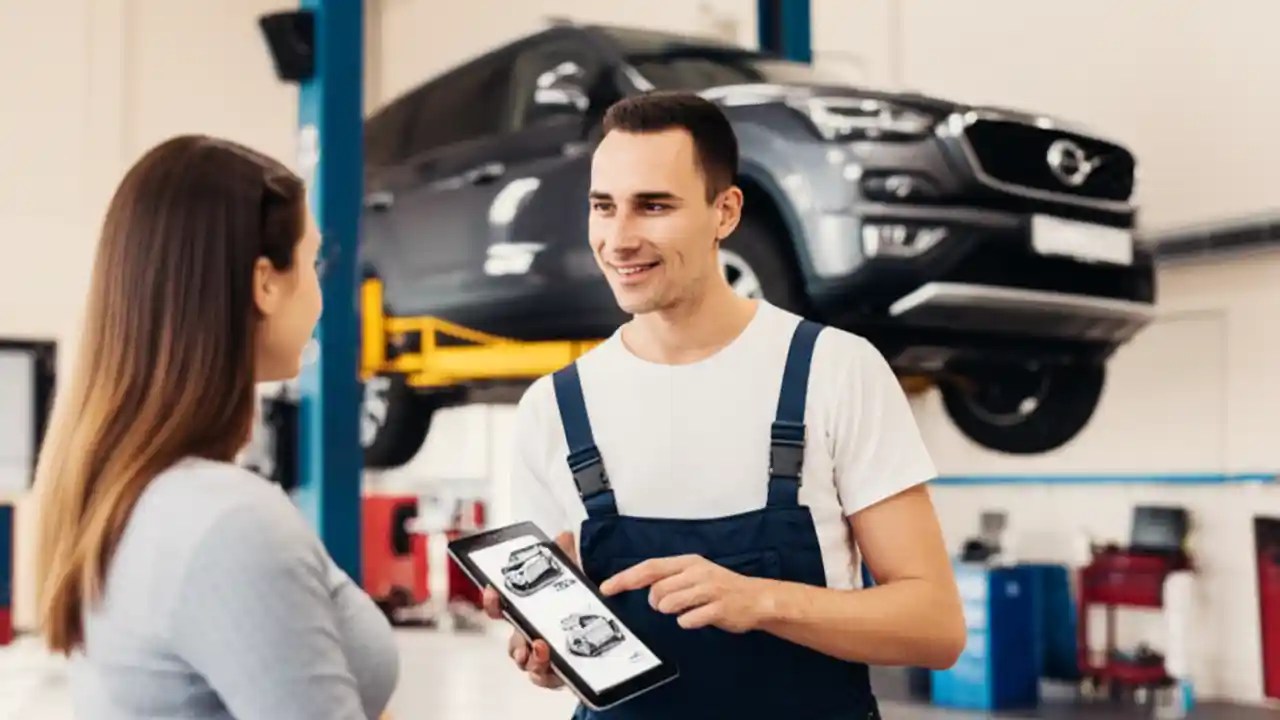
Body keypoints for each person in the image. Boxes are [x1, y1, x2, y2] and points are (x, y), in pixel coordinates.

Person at [483, 91, 967, 718]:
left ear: (725, 211)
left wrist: (762, 601)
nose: (620, 239)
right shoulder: (554, 407)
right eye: (603, 207)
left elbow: (934, 626)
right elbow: (569, 656)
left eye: (653, 206)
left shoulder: (833, 371)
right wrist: (546, 655)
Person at [31, 135, 399, 720]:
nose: (322, 298)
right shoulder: (230, 522)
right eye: (313, 263)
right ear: (265, 282)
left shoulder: (133, 496)